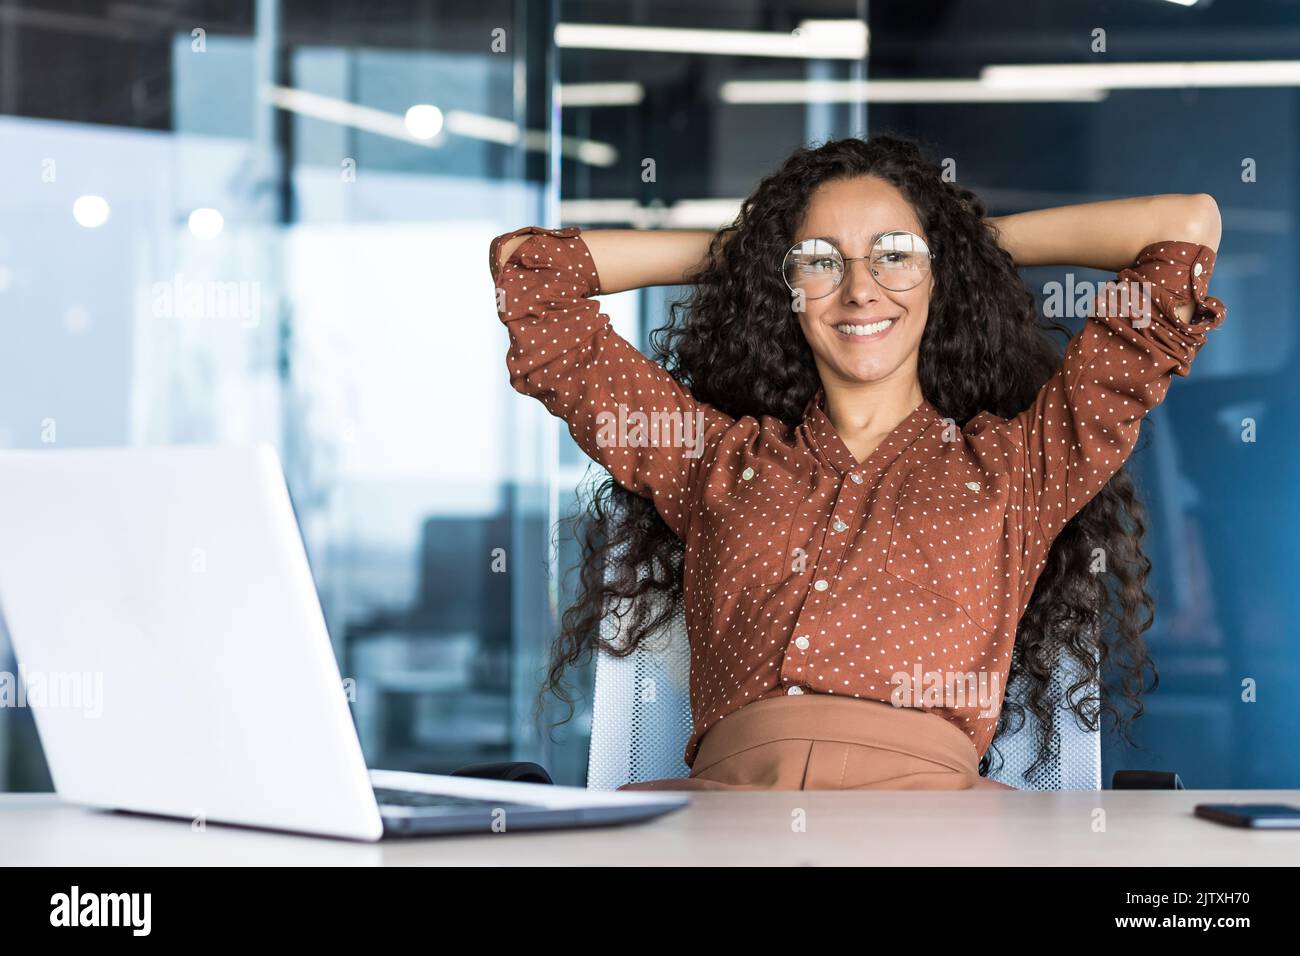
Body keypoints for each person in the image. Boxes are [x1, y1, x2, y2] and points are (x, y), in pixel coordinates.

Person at [488, 134, 1225, 791]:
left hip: (936, 830)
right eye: (820, 262)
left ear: (940, 277)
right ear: (785, 287)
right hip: (722, 824)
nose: (860, 288)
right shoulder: (709, 459)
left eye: (895, 257)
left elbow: (1183, 228)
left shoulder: (1022, 466)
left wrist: (962, 242)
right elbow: (528, 272)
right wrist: (757, 248)